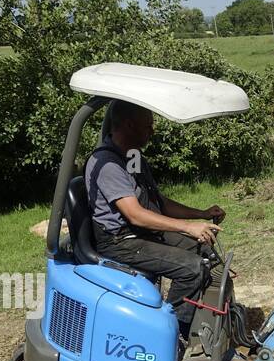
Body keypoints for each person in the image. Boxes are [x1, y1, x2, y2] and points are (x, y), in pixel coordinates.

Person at [85, 99, 226, 328]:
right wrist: (187, 227)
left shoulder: (132, 157)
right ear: (130, 126)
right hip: (119, 240)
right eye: (148, 125)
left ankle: (212, 313)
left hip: (137, 232)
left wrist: (201, 214)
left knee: (204, 250)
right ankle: (172, 330)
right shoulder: (107, 163)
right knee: (192, 268)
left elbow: (157, 203)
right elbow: (135, 215)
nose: (153, 131)